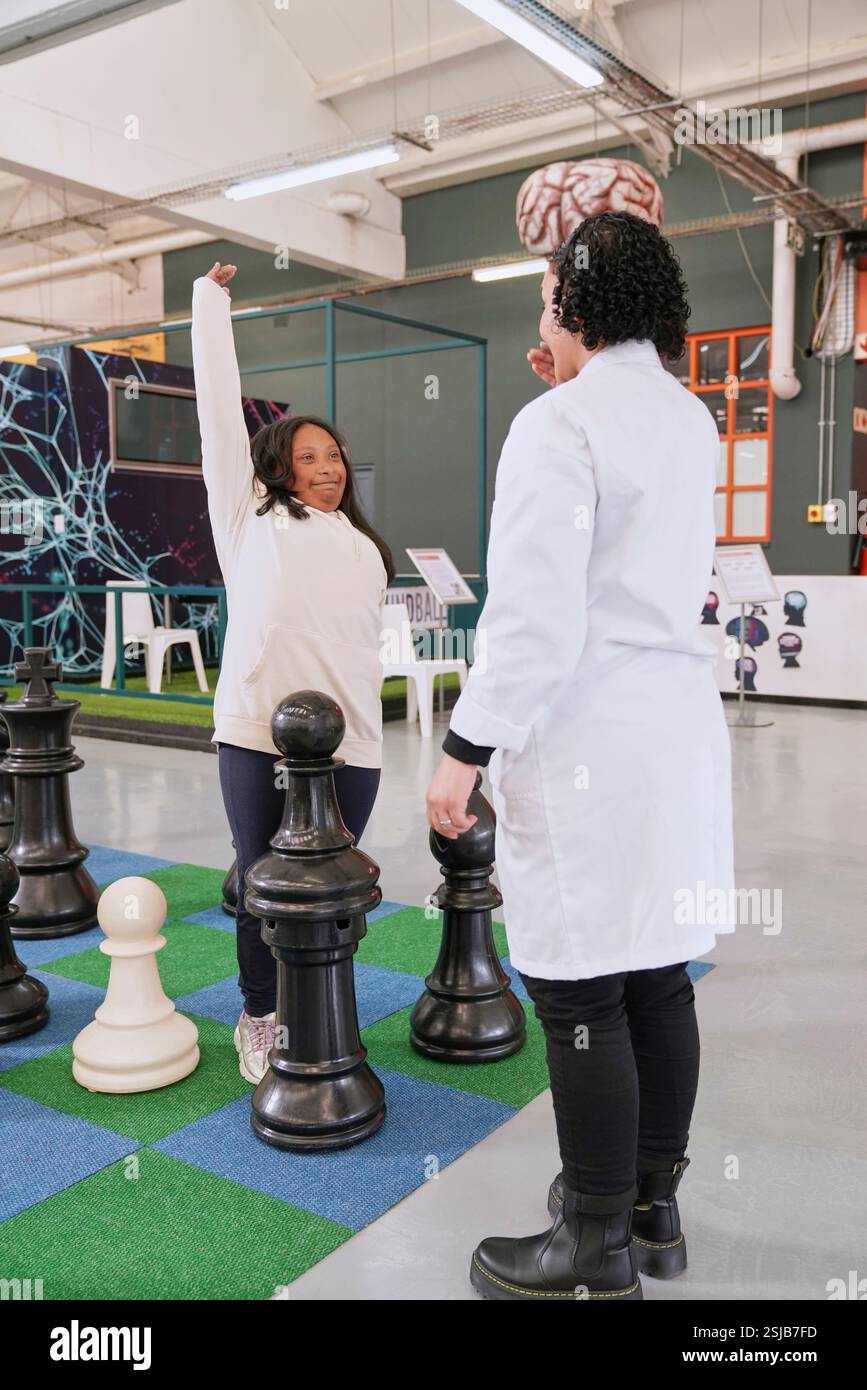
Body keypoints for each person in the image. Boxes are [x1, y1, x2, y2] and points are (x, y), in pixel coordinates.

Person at [426, 211, 735, 1301]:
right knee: (658, 976)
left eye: (546, 297)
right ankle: (651, 1214)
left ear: (572, 302)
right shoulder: (689, 419)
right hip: (675, 729)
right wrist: (566, 371)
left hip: (588, 729)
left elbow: (536, 619)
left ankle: (591, 1248)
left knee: (579, 991)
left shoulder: (555, 425)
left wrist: (462, 750)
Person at [192, 262, 394, 1084]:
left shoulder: (364, 546)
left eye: (336, 455)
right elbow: (215, 412)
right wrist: (211, 305)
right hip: (255, 733)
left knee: (330, 895)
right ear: (277, 465)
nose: (329, 465)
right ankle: (260, 1014)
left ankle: (319, 1013)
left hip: (354, 746)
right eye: (310, 456)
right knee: (259, 882)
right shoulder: (249, 517)